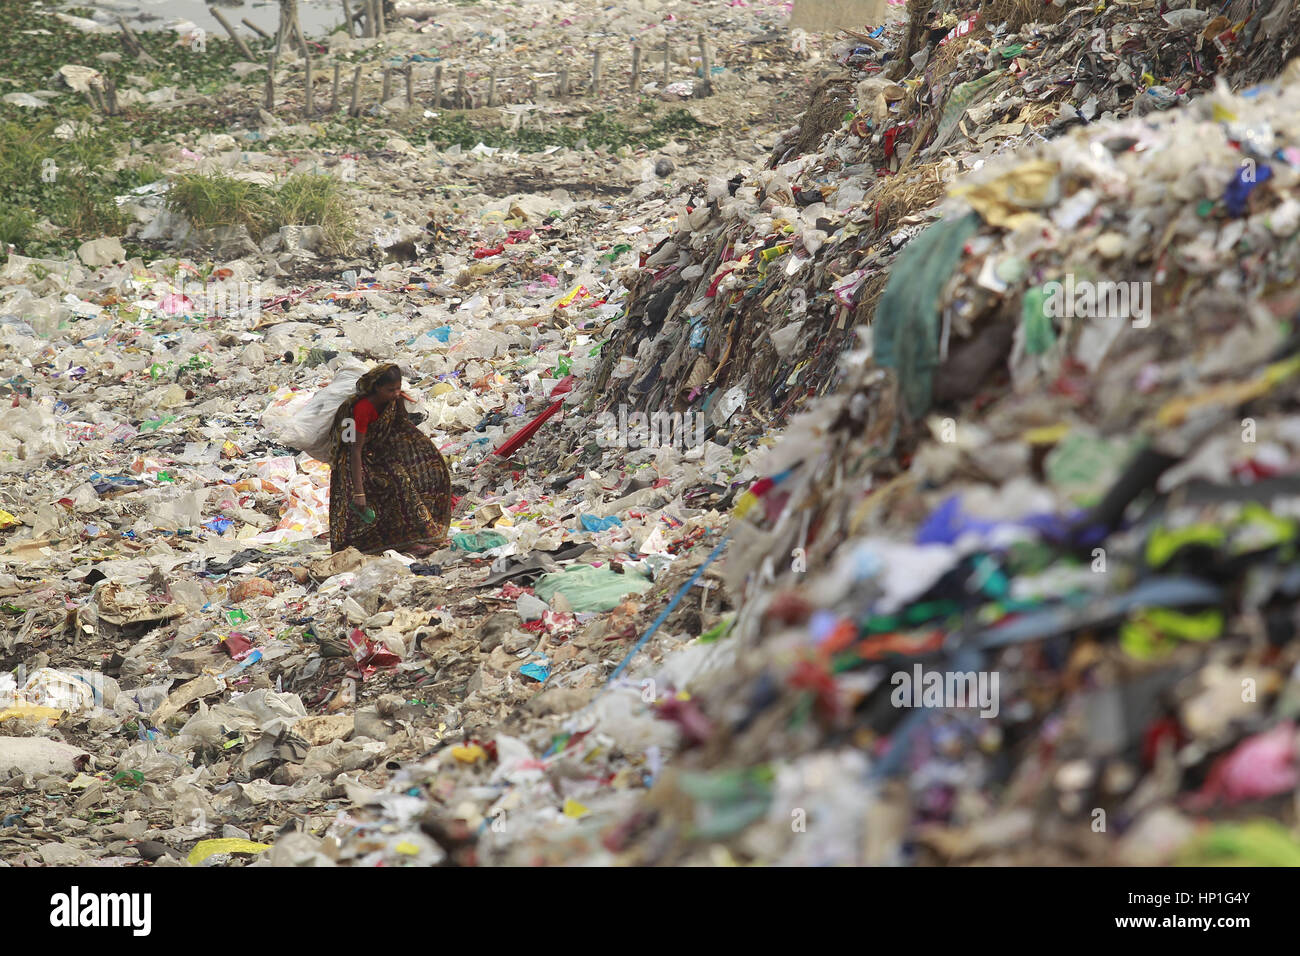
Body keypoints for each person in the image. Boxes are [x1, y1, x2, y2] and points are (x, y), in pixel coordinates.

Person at [327, 363, 451, 555]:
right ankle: (360, 549)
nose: (395, 393)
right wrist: (359, 493)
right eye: (390, 390)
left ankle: (409, 540)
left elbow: (400, 425)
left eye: (398, 388)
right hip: (355, 462)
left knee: (402, 480)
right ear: (377, 387)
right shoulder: (362, 409)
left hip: (376, 454)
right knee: (379, 495)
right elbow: (354, 450)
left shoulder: (392, 401)